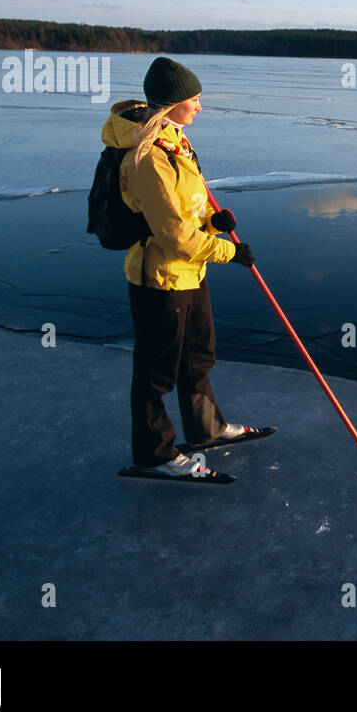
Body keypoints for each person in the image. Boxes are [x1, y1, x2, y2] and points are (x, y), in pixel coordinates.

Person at [99, 56, 266, 477]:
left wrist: (214, 222)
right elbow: (172, 233)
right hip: (160, 279)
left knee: (197, 357)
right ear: (171, 103)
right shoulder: (147, 157)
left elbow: (186, 213)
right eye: (194, 99)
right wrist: (229, 252)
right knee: (157, 371)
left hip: (190, 273)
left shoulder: (176, 142)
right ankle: (155, 454)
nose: (199, 107)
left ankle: (206, 427)